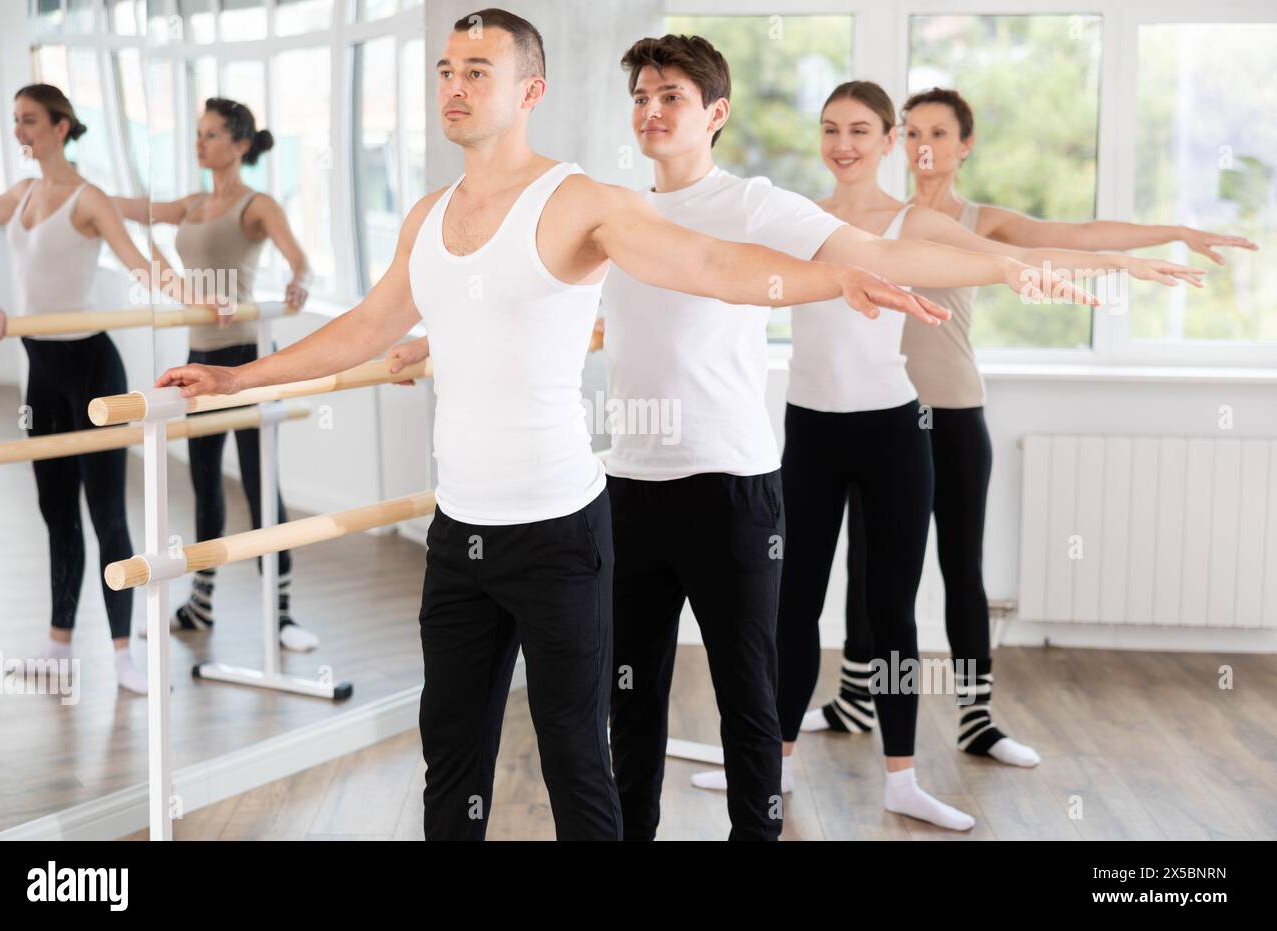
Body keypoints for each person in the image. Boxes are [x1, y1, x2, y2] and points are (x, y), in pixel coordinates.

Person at [154, 9, 954, 841]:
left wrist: (837, 279)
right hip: (458, 531)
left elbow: (712, 266)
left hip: (562, 529)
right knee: (450, 759)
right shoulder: (426, 216)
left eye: (477, 73)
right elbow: (365, 326)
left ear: (528, 91)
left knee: (577, 755)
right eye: (446, 71)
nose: (454, 87)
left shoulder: (580, 199)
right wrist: (237, 375)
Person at [603, 36, 1102, 841]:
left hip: (796, 457)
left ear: (716, 114)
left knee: (873, 618)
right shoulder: (618, 214)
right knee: (639, 689)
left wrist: (1018, 268)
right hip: (679, 468)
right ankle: (746, 776)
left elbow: (899, 251)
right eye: (642, 98)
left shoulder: (765, 206)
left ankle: (897, 773)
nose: (652, 112)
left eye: (672, 98)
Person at [694, 79, 1193, 830]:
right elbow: (710, 269)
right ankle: (780, 762)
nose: (843, 145)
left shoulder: (915, 221)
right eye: (830, 129)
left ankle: (901, 778)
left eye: (861, 130)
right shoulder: (798, 219)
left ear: (890, 141)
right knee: (793, 605)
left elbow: (1008, 256)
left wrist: (1125, 264)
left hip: (895, 432)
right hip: (809, 433)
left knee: (893, 611)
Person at [808, 85, 1256, 769]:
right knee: (869, 567)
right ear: (898, 141)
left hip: (953, 411)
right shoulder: (871, 220)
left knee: (962, 565)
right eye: (915, 132)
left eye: (940, 134)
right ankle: (853, 699)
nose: (926, 146)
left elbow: (1073, 237)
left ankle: (977, 717)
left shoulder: (975, 220)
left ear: (965, 146)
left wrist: (1167, 233)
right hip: (878, 415)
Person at [0, 84, 184, 694]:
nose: (21, 133)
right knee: (55, 511)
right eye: (15, 121)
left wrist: (200, 296)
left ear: (62, 127)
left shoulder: (87, 199)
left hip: (94, 370)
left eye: (32, 121)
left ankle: (123, 655)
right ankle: (58, 646)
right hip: (39, 372)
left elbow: (143, 265)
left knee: (106, 514)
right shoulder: (21, 194)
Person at [114, 97, 318, 651]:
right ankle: (200, 606)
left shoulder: (257, 205)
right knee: (204, 482)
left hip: (246, 358)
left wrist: (299, 283)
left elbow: (300, 259)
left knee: (257, 483)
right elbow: (128, 208)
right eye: (198, 133)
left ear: (241, 144)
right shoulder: (193, 202)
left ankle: (281, 615)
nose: (200, 143)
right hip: (198, 360)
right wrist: (84, 193)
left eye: (211, 135)